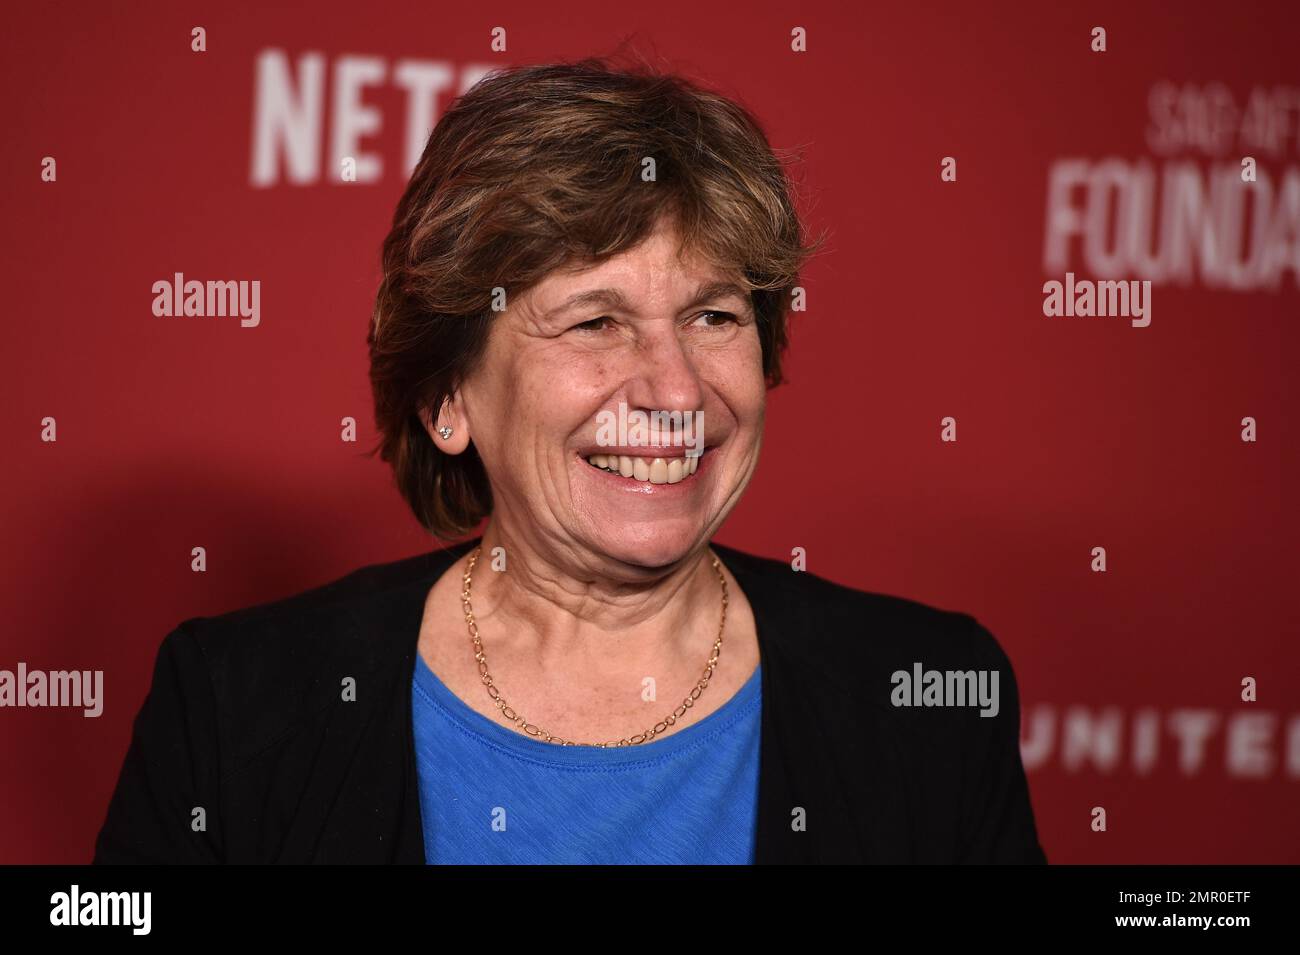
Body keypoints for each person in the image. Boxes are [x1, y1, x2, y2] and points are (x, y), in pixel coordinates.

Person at [94, 56, 1046, 864]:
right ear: (447, 400)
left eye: (713, 316)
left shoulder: (927, 698)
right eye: (596, 322)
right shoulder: (234, 706)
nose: (674, 393)